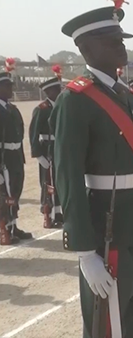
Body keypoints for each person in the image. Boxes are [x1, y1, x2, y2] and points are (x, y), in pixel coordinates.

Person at [55, 0, 133, 337]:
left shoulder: (127, 95)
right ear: (85, 47)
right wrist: (85, 251)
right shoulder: (77, 99)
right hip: (106, 226)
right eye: (110, 40)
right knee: (107, 325)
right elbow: (68, 174)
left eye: (121, 39)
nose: (121, 46)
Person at [0, 71, 32, 245]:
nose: (10, 89)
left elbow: (19, 133)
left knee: (15, 191)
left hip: (15, 156)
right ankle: (4, 228)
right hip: (3, 158)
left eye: (10, 86)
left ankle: (13, 226)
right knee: (4, 195)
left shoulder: (12, 109)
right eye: (6, 86)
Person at [30, 74, 63, 229]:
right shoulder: (42, 109)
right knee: (47, 182)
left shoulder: (61, 105)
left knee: (59, 181)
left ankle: (58, 213)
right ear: (48, 91)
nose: (59, 91)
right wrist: (38, 155)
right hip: (47, 148)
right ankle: (47, 213)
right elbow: (33, 133)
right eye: (56, 89)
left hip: (59, 148)